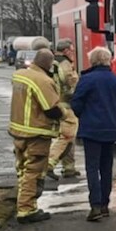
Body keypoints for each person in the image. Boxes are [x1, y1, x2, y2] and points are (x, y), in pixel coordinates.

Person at [69, 46, 116, 222]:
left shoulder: (87, 79)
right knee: (106, 168)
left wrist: (83, 117)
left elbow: (76, 103)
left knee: (92, 168)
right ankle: (104, 205)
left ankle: (94, 206)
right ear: (108, 60)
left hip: (92, 130)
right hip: (110, 130)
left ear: (92, 61)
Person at [8, 48, 63, 224]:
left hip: (18, 130)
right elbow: (52, 109)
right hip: (36, 132)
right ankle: (26, 210)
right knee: (34, 171)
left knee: (23, 169)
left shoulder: (20, 74)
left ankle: (23, 203)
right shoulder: (43, 81)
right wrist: (65, 114)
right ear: (48, 64)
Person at [46, 39, 81, 180]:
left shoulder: (51, 62)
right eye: (71, 50)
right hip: (65, 105)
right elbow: (71, 83)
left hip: (53, 103)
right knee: (66, 135)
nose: (72, 53)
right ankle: (49, 164)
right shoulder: (65, 64)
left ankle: (69, 168)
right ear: (66, 50)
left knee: (70, 137)